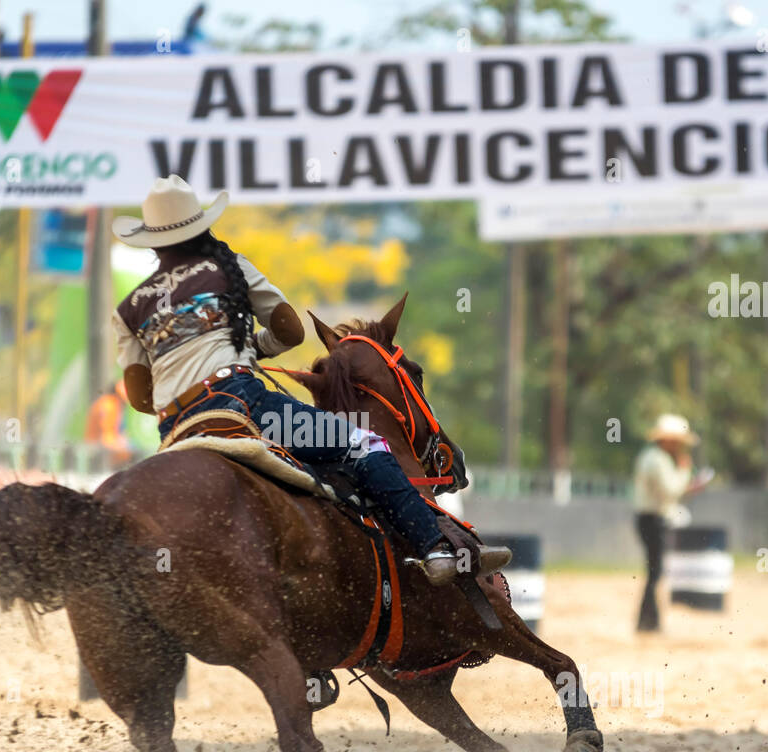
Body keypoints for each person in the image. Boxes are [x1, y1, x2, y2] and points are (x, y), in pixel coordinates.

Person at [110, 175, 507, 585]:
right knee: (364, 444)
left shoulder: (129, 307)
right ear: (200, 227)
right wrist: (248, 349)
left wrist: (185, 375)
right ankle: (434, 549)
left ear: (153, 242)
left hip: (176, 427)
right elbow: (290, 332)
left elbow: (141, 398)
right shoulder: (229, 268)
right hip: (244, 404)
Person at [632, 414, 711, 632]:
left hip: (649, 518)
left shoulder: (652, 457)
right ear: (668, 440)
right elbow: (671, 491)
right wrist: (685, 471)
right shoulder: (658, 459)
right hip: (653, 520)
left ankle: (649, 620)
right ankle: (647, 621)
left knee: (654, 571)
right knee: (655, 572)